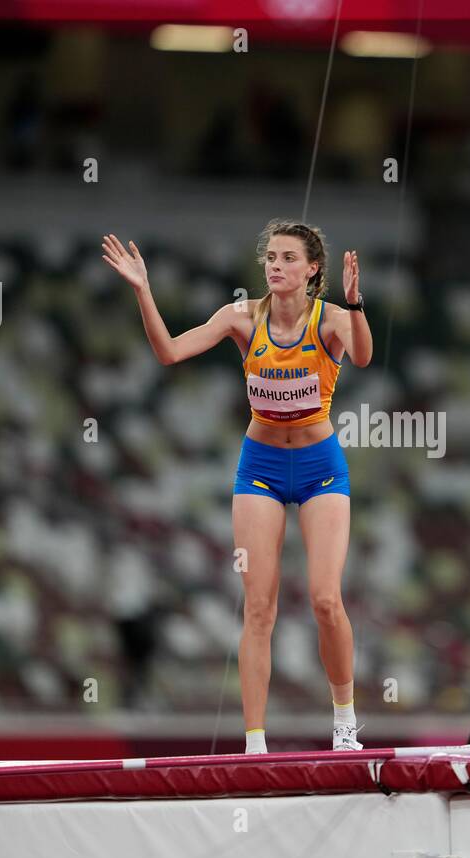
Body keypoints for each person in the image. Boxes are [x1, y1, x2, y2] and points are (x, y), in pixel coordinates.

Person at [102, 219, 373, 754]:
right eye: (270, 257)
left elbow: (362, 356)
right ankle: (254, 742)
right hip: (260, 469)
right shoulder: (242, 317)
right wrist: (144, 291)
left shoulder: (332, 319)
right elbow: (169, 353)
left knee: (324, 599)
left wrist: (357, 302)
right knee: (258, 607)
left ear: (312, 269)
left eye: (288, 258)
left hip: (321, 467)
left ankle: (344, 721)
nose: (276, 266)